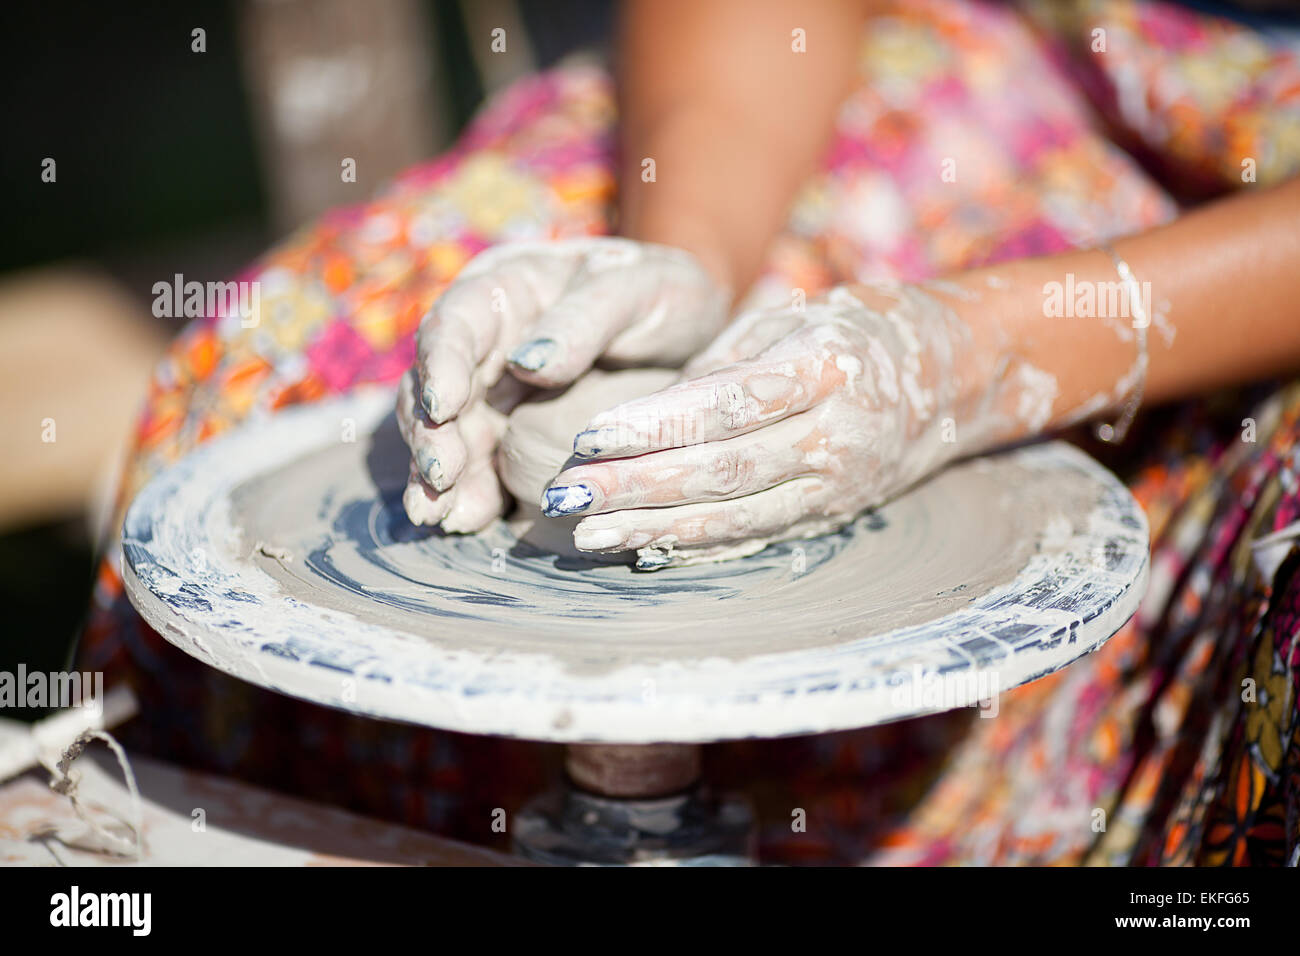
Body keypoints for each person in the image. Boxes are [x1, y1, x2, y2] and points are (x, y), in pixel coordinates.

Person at [81, 0, 1300, 864]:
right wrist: (692, 257)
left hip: (1250, 225)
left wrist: (970, 363)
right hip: (966, 52)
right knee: (291, 370)